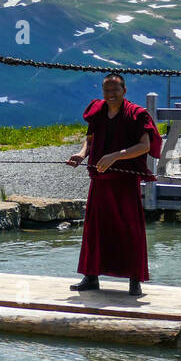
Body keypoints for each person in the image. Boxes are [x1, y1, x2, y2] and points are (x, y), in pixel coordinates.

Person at [66, 72, 162, 295]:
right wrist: (81, 154)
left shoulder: (136, 114)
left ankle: (135, 280)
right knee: (95, 229)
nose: (110, 94)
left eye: (115, 90)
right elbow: (90, 140)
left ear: (124, 91)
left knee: (130, 229)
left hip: (125, 180)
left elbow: (145, 146)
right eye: (106, 90)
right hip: (100, 179)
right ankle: (91, 277)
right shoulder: (97, 111)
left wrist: (115, 156)